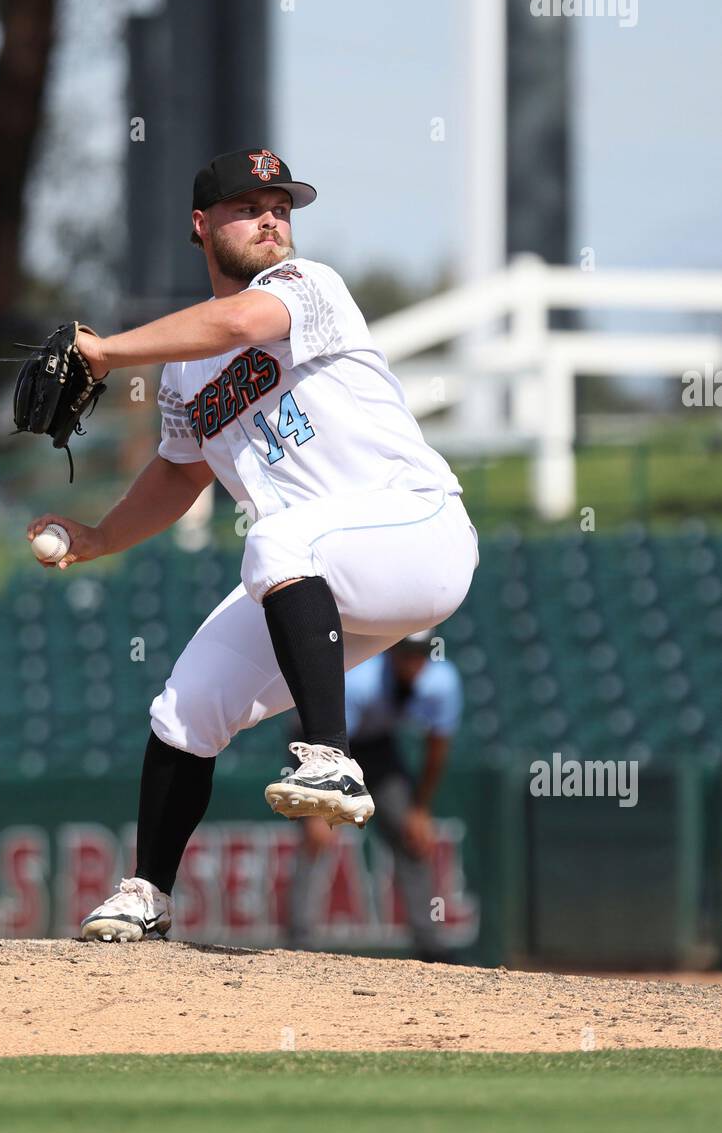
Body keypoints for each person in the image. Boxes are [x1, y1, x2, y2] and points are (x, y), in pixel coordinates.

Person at [25, 147, 479, 942]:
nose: (271, 217)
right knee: (185, 706)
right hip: (320, 574)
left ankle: (332, 758)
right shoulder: (185, 380)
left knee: (276, 538)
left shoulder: (308, 287)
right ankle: (148, 893)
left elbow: (236, 323)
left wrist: (104, 350)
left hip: (417, 530)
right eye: (248, 204)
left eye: (282, 204)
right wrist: (97, 537)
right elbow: (176, 477)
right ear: (202, 225)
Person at [288, 631, 463, 962]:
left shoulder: (442, 682)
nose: (413, 662)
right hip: (318, 741)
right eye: (406, 653)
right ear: (391, 651)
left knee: (411, 831)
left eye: (420, 654)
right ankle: (300, 942)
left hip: (377, 744)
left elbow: (437, 748)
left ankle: (429, 945)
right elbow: (322, 747)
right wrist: (314, 812)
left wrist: (420, 808)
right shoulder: (360, 682)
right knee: (317, 834)